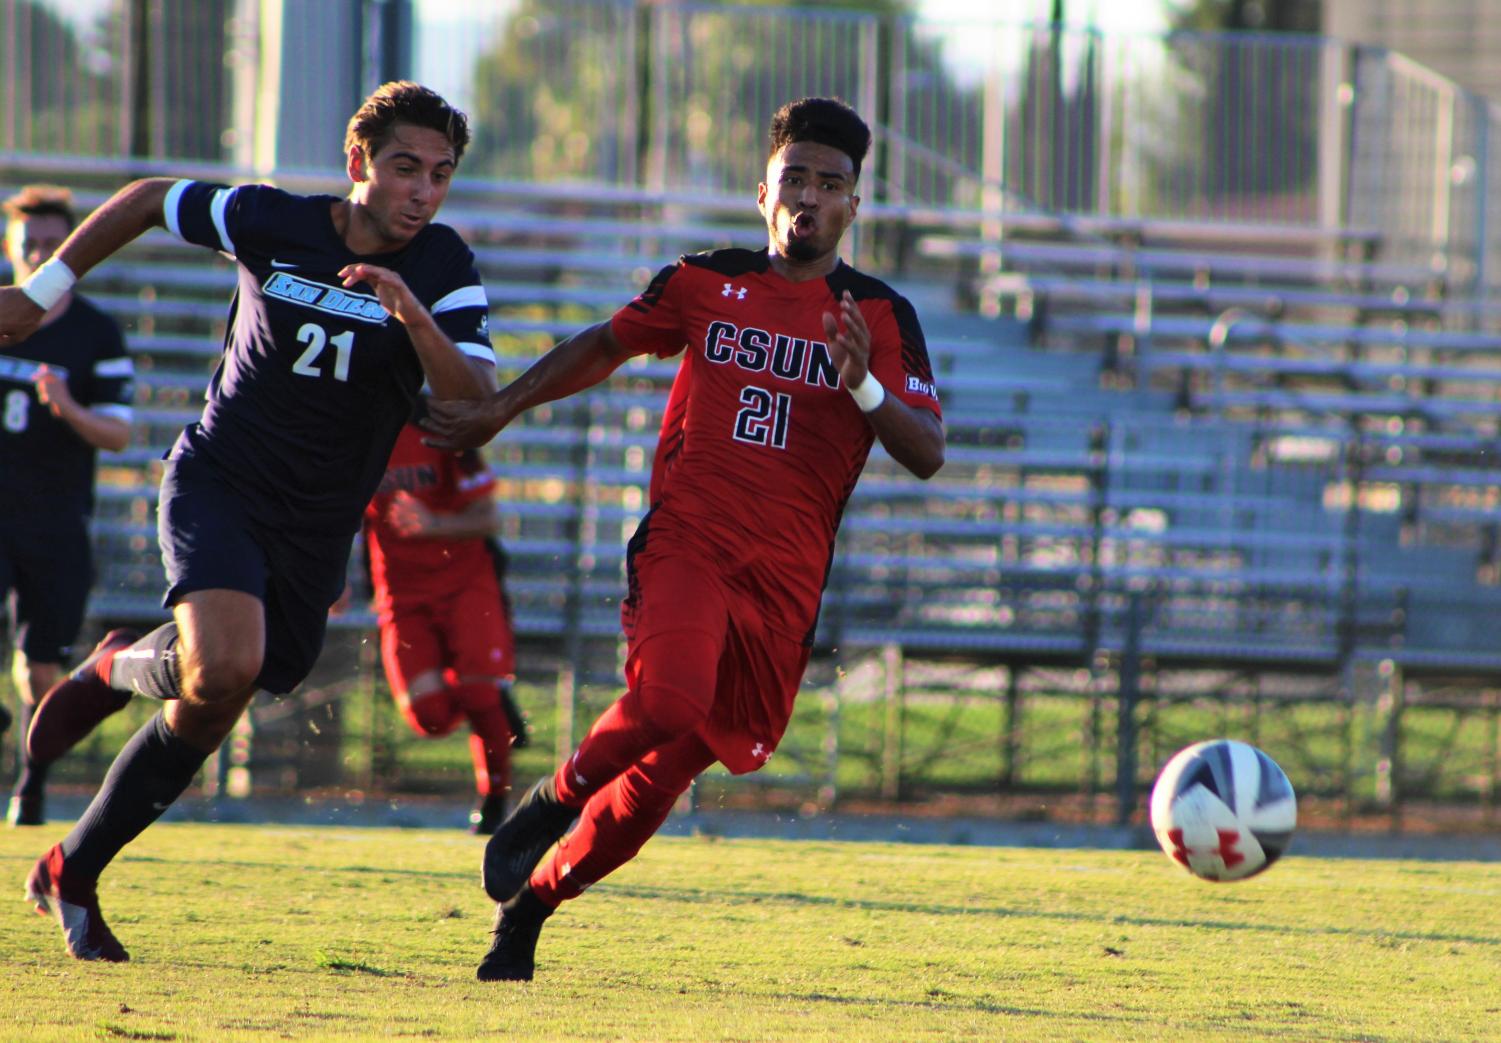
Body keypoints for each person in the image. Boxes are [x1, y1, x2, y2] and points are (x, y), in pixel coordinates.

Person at [421, 97, 946, 982]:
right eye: (793, 179)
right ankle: (547, 801)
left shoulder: (879, 314)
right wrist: (502, 406)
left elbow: (926, 450)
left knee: (652, 786)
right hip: (687, 542)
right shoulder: (704, 281)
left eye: (830, 183)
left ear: (855, 204)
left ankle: (532, 905)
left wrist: (861, 385)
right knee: (665, 699)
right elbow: (605, 343)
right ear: (762, 193)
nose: (808, 197)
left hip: (780, 585)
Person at [0, 81, 496, 963]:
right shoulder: (274, 221)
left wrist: (412, 315)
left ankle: (73, 862)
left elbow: (475, 403)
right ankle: (115, 671)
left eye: (441, 173)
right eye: (405, 167)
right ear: (358, 162)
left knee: (222, 693)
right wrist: (40, 294)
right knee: (225, 663)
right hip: (221, 479)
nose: (423, 190)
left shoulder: (443, 266)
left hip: (318, 521)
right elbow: (149, 199)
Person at [0, 185, 134, 828]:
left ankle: (32, 780)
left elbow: (118, 433)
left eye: (54, 244)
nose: (39, 254)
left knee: (41, 664)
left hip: (54, 517)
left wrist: (69, 407)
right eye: (30, 243)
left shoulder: (95, 333)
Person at [362, 417, 529, 835]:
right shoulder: (356, 433)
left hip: (466, 582)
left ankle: (495, 799)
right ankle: (492, 699)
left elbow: (489, 517)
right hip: (400, 594)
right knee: (430, 717)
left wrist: (434, 523)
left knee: (478, 691)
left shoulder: (441, 429)